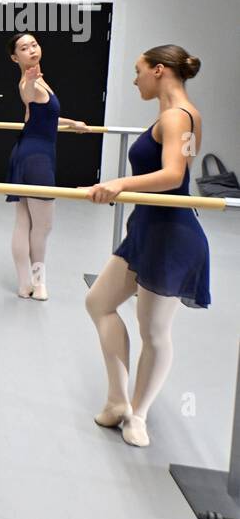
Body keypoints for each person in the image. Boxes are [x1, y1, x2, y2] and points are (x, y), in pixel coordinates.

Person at [82, 45, 209, 448]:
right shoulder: (181, 114)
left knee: (153, 331)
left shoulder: (177, 116)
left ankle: (138, 415)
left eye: (138, 71)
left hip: (171, 234)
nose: (135, 79)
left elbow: (174, 176)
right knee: (99, 303)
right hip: (148, 228)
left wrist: (119, 183)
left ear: (159, 70)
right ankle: (118, 400)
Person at [3, 33, 88, 299]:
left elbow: (41, 117)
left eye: (34, 45)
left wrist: (72, 123)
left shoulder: (39, 79)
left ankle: (25, 283)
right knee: (42, 226)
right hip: (36, 158)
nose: (31, 50)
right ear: (15, 57)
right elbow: (28, 95)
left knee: (24, 221)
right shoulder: (28, 82)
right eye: (24, 48)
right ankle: (38, 283)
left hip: (29, 151)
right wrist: (29, 81)